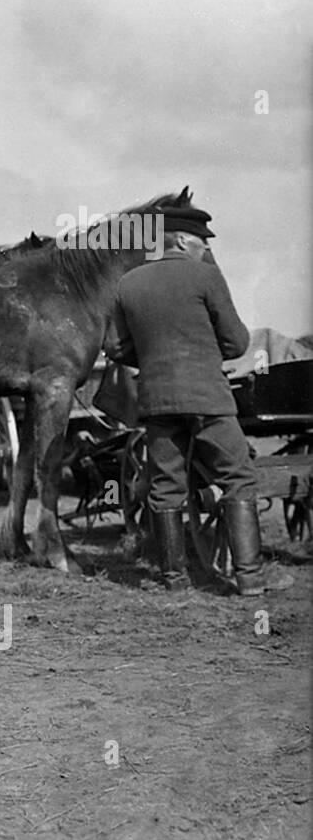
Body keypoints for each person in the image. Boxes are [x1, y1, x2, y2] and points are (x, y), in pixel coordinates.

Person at [107, 205, 293, 595]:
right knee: (239, 478)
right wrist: (206, 354)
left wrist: (153, 358)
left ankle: (174, 581)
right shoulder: (206, 275)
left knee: (165, 486)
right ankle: (250, 578)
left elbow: (115, 347)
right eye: (200, 243)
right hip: (207, 397)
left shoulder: (129, 284)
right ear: (179, 239)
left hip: (157, 402)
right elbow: (238, 341)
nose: (204, 250)